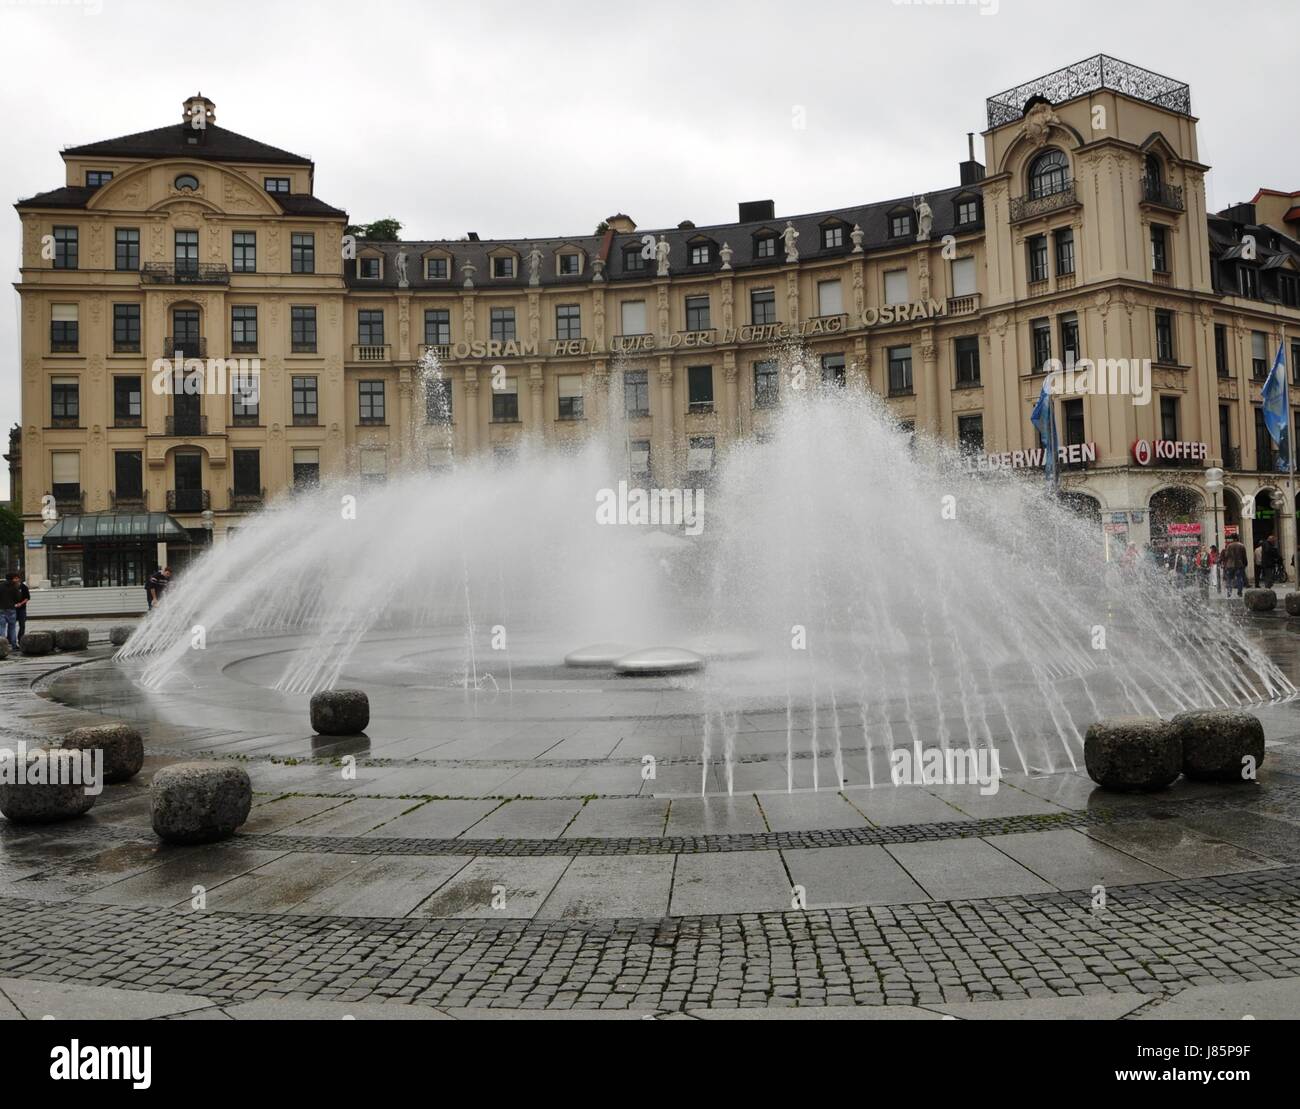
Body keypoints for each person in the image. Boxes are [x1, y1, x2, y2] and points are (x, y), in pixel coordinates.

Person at [0, 573, 20, 650]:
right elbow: (18, 598)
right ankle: (14, 645)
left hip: (1, 609)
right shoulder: (14, 586)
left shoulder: (0, 586)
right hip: (11, 609)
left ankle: (2, 646)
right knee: (12, 628)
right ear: (12, 578)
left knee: (2, 627)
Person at [11, 573, 29, 643]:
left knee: (22, 625)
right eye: (14, 578)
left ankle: (20, 639)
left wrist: (21, 604)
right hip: (13, 609)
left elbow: (27, 598)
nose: (15, 580)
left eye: (16, 578)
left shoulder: (24, 587)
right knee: (12, 625)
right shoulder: (11, 587)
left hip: (22, 609)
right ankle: (11, 640)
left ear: (19, 579)